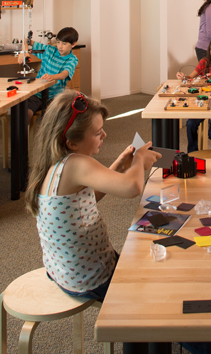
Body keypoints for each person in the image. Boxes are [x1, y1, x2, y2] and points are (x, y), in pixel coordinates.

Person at [24, 90, 161, 354]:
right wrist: (139, 161)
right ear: (72, 143)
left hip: (64, 270)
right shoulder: (77, 163)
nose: (104, 135)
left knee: (142, 266)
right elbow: (132, 187)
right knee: (151, 299)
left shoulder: (55, 165)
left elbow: (88, 197)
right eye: (98, 133)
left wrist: (119, 164)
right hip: (90, 275)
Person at [17, 27, 80, 121]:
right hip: (38, 94)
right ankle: (23, 130)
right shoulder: (49, 50)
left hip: (55, 97)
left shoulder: (72, 59)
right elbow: (26, 41)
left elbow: (64, 74)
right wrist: (24, 52)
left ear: (73, 44)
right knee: (24, 115)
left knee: (51, 119)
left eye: (64, 44)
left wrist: (51, 77)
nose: (60, 46)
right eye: (58, 42)